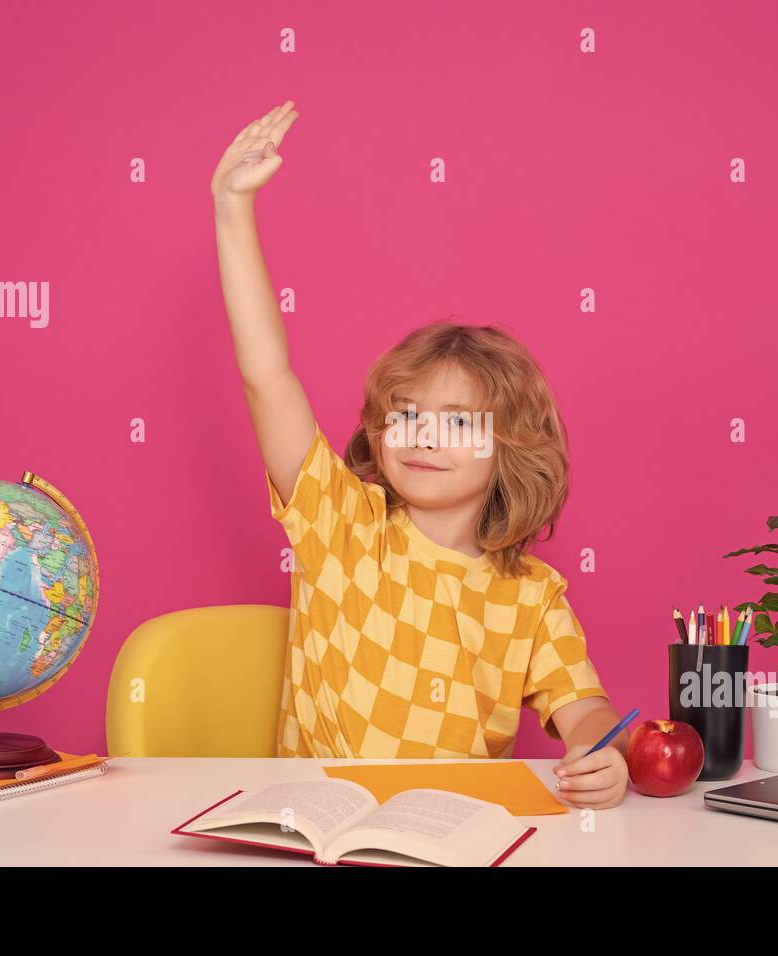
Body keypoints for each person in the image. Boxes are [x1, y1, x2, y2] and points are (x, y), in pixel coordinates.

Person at [209, 100, 629, 809]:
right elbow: (267, 373)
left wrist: (600, 750)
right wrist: (231, 207)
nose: (424, 437)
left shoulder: (531, 595)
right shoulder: (339, 521)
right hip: (319, 828)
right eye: (404, 416)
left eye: (459, 423)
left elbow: (583, 703)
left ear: (511, 450)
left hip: (451, 835)